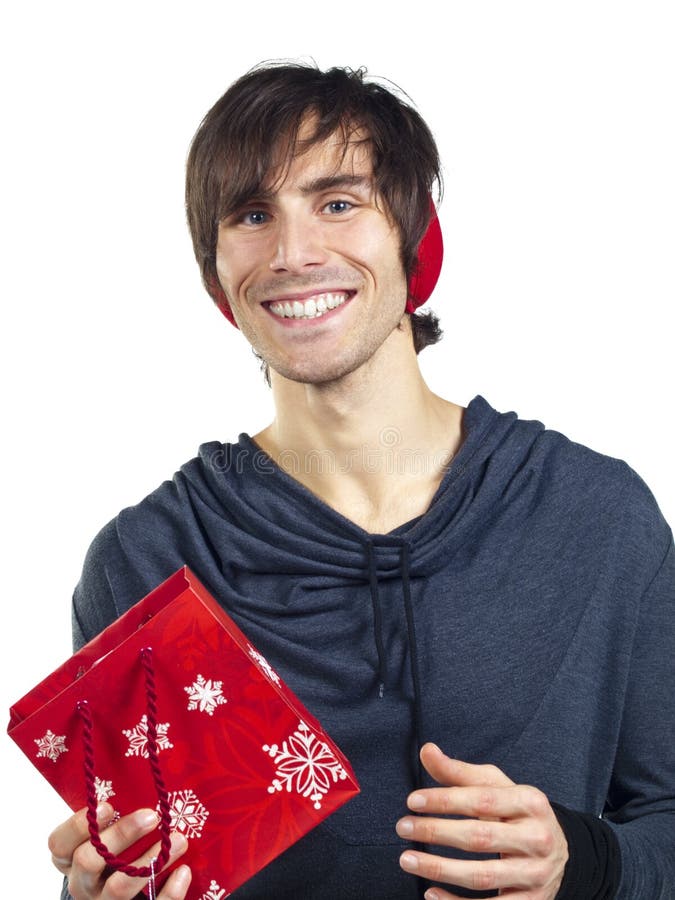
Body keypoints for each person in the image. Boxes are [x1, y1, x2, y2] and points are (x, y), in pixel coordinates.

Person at [48, 62, 674, 900]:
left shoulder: (596, 517)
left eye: (337, 203)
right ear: (217, 284)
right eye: (252, 215)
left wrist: (584, 862)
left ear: (419, 245)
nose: (293, 254)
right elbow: (142, 859)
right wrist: (96, 889)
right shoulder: (146, 561)